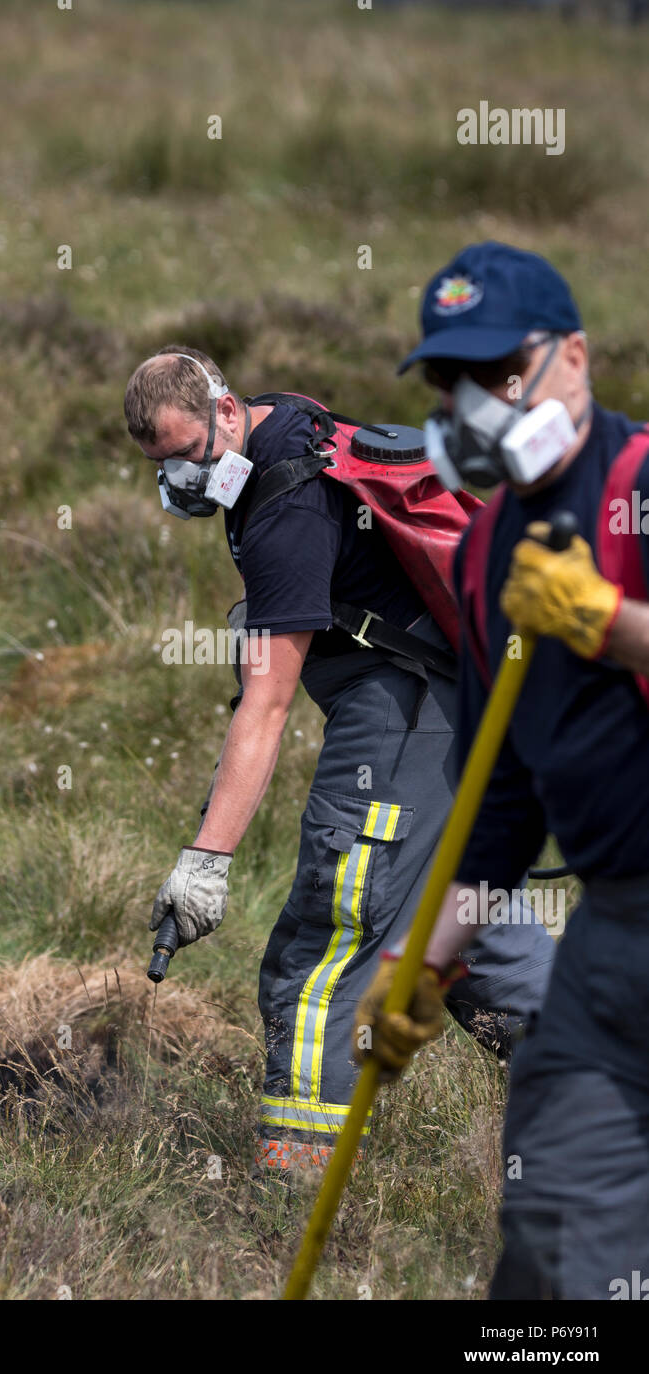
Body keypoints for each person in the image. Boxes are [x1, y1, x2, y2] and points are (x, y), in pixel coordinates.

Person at [123, 345, 554, 1175]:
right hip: (451, 717)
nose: (179, 479)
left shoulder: (285, 511)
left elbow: (268, 704)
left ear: (224, 411)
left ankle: (294, 1181)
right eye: (159, 465)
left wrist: (206, 862)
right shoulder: (286, 422)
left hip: (405, 717)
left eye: (187, 455)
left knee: (326, 941)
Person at [356, 239, 649, 1296]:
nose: (473, 402)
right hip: (614, 939)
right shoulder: (483, 552)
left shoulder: (639, 483)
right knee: (545, 1240)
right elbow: (498, 802)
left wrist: (605, 622)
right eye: (449, 381)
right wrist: (421, 962)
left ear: (571, 355)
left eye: (497, 372)